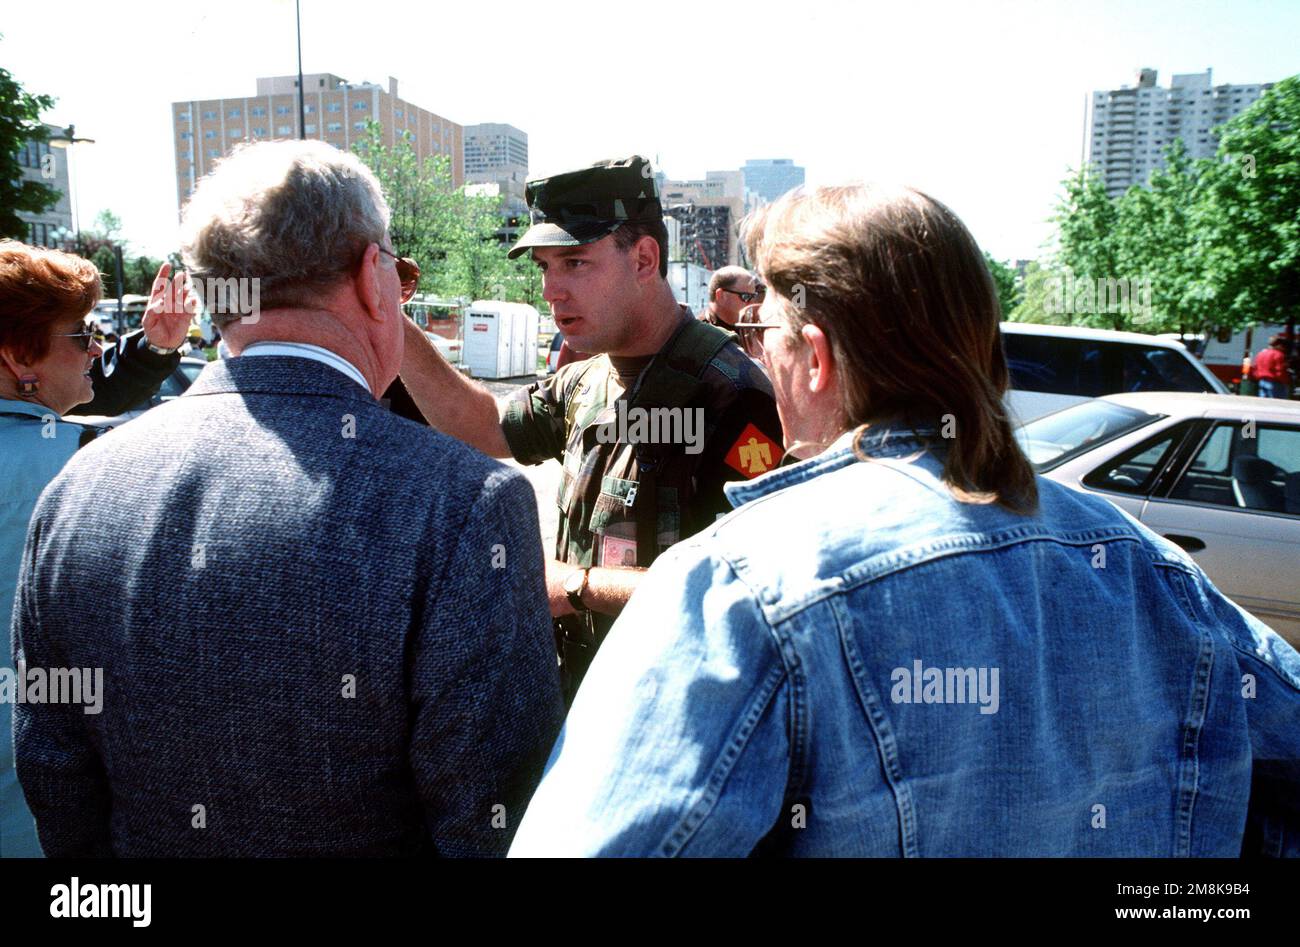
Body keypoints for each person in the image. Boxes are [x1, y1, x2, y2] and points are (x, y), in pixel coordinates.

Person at [509, 183, 1300, 857]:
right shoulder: (1152, 567)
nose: (757, 360)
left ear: (814, 356)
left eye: (762, 335)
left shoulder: (741, 585)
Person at [11, 139, 564, 857]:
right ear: (374, 277)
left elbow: (56, 778)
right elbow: (497, 820)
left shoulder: (76, 490)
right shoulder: (463, 502)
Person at [399, 155, 784, 701]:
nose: (551, 290)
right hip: (584, 691)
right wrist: (390, 321)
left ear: (644, 259)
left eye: (575, 263)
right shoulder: (585, 380)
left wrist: (578, 587)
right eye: (544, 268)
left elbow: (756, 588)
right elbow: (484, 426)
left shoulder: (731, 393)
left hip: (678, 705)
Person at [0, 240, 192, 858]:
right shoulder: (81, 464)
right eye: (82, 335)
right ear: (15, 353)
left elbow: (95, 391)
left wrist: (157, 346)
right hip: (33, 764)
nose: (99, 346)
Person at [701, 265, 765, 337]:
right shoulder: (701, 334)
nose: (751, 303)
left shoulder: (748, 330)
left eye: (753, 296)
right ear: (721, 295)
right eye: (746, 297)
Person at [1253, 334, 1293, 399]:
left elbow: (1255, 368)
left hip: (1262, 381)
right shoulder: (1278, 355)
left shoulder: (1261, 353)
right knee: (1278, 404)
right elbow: (1280, 372)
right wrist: (1286, 381)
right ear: (1279, 345)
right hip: (1275, 383)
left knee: (1264, 403)